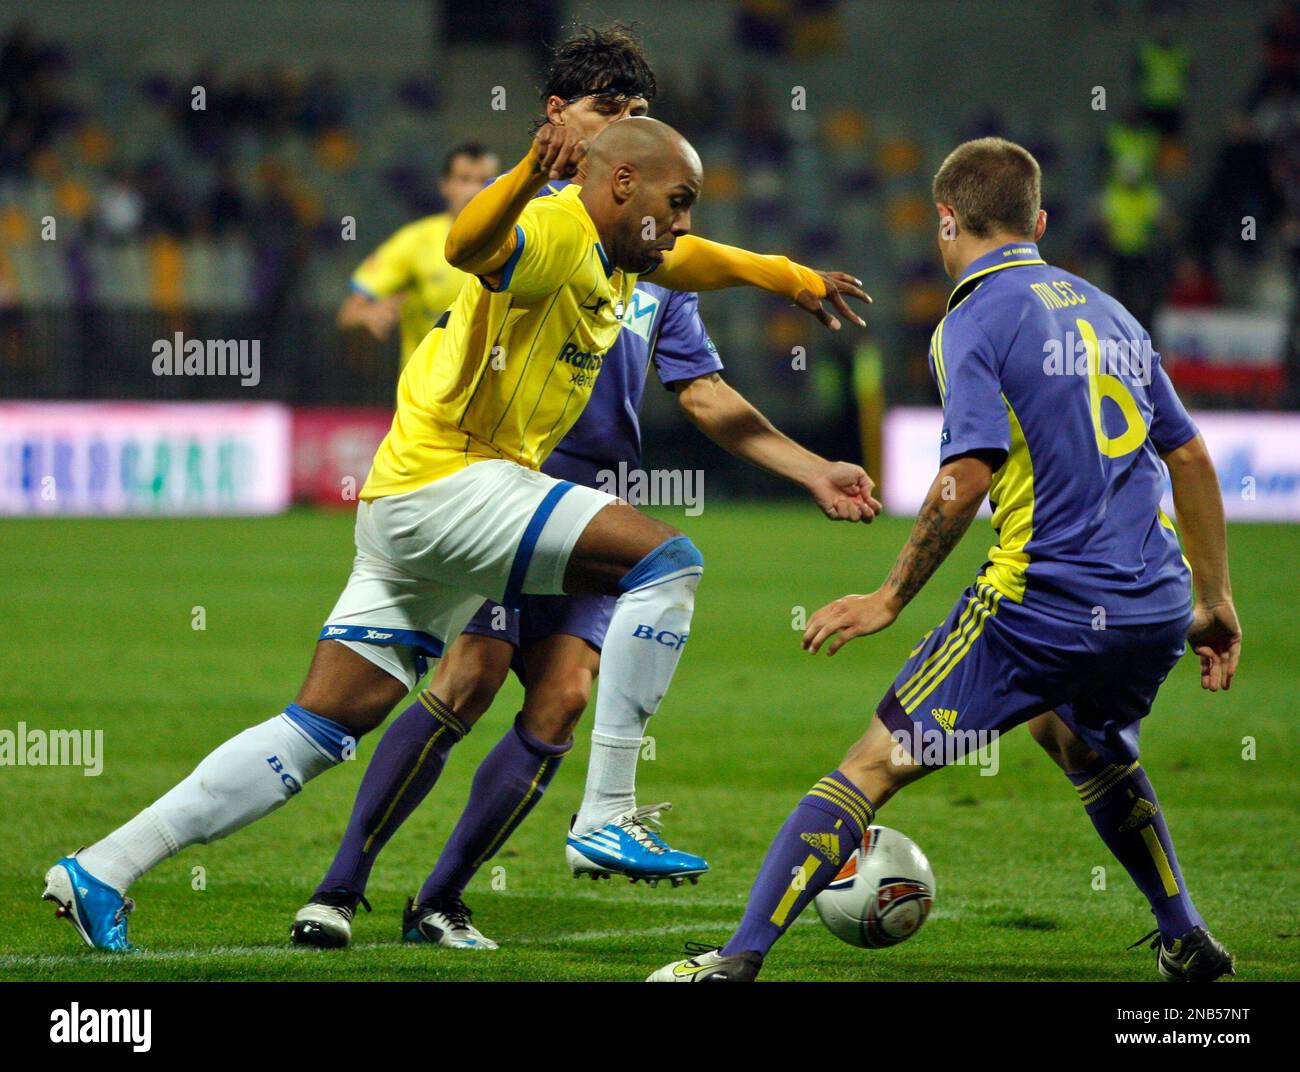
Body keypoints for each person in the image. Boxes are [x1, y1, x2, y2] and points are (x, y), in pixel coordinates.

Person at [44, 115, 875, 952]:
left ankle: (104, 867)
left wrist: (784, 274)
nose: (690, 222)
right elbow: (470, 248)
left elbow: (692, 258)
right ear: (621, 184)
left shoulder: (627, 254)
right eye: (682, 200)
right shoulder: (556, 228)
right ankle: (608, 810)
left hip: (406, 499)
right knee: (668, 562)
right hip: (459, 479)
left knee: (317, 730)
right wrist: (519, 173)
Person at [290, 23, 879, 953]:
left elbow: (708, 394)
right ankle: (338, 887)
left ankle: (439, 901)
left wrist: (812, 467)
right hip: (507, 482)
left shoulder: (653, 252)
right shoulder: (539, 226)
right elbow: (469, 247)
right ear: (561, 116)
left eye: (640, 113)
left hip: (599, 501)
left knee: (561, 696)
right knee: (471, 674)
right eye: (610, 109)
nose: (626, 129)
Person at [650, 137, 1239, 983]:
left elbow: (967, 473)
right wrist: (1215, 601)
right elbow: (1189, 460)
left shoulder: (973, 319)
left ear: (945, 222)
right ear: (1038, 221)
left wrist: (889, 595)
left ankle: (736, 963)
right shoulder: (1113, 312)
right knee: (1079, 737)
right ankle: (1184, 935)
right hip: (1153, 609)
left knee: (868, 767)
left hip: (1045, 605)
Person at [337, 142, 499, 372]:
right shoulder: (414, 242)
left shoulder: (521, 240)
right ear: (445, 186)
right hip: (425, 398)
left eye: (484, 181)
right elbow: (349, 313)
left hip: (492, 394)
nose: (473, 191)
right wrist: (369, 315)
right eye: (464, 180)